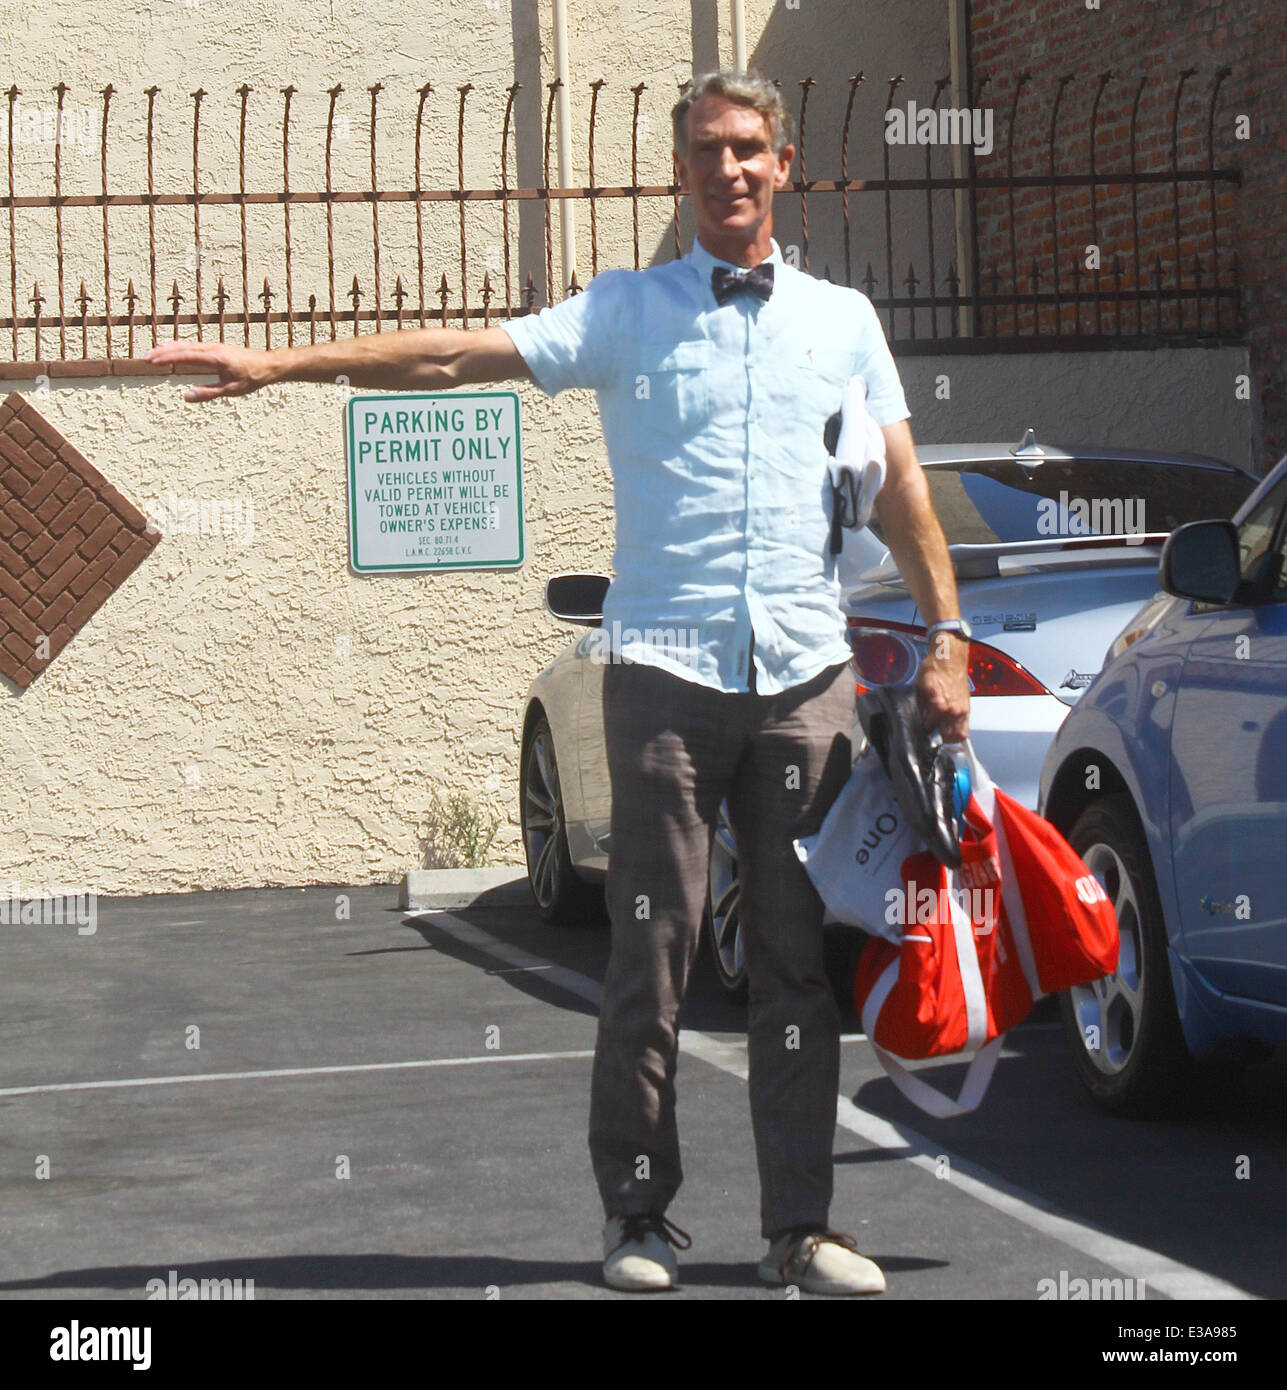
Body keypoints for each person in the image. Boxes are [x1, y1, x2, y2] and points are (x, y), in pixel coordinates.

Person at [145, 67, 971, 1297]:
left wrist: (948, 635)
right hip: (661, 678)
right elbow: (454, 360)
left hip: (804, 677)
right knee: (653, 954)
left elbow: (899, 489)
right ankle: (637, 1219)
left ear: (785, 164)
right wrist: (288, 365)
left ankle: (802, 1228)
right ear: (681, 173)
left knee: (799, 967)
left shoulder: (844, 323)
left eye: (748, 148)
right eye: (705, 152)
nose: (728, 170)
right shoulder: (627, 312)